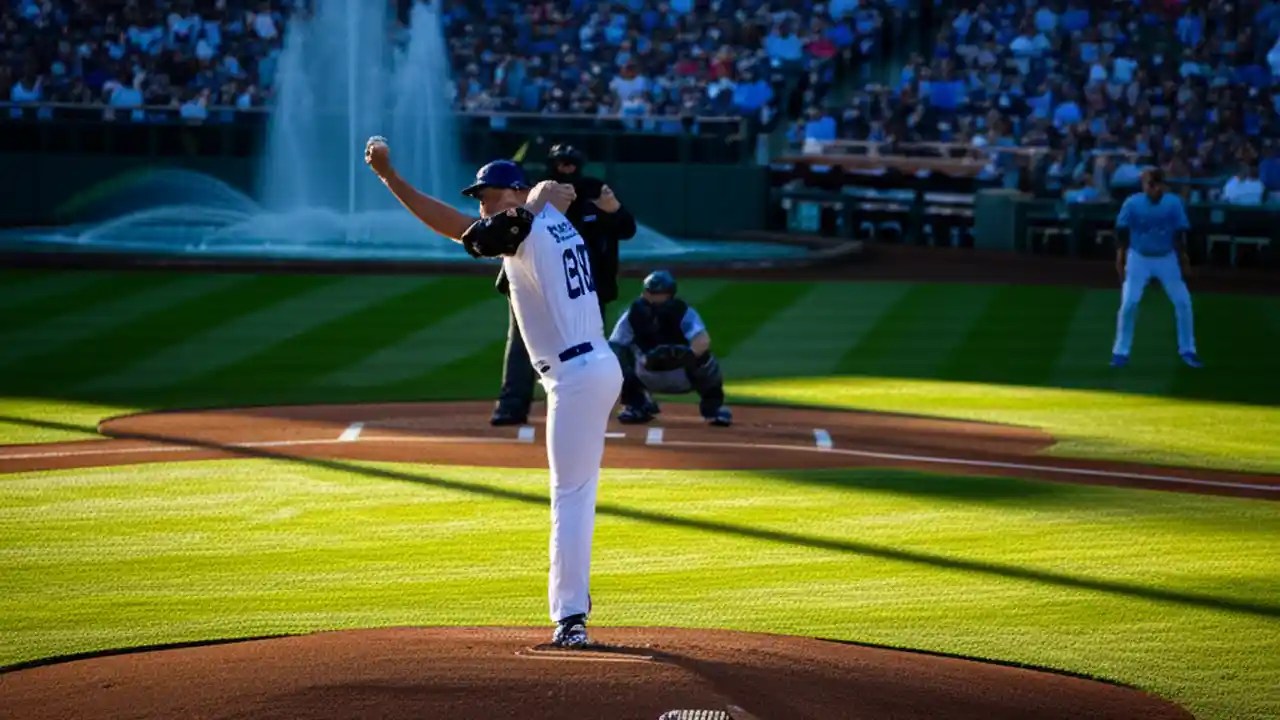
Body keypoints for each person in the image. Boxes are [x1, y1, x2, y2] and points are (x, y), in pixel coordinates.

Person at [364, 137, 622, 649]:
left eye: (490, 194)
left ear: (515, 193)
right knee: (578, 491)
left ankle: (570, 617)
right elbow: (490, 222)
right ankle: (574, 607)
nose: (481, 203)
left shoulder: (523, 222)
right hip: (592, 365)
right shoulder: (543, 221)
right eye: (479, 195)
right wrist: (540, 198)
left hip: (577, 373)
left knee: (569, 496)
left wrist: (390, 177)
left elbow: (458, 228)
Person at [490, 143, 637, 426]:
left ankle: (589, 407)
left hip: (583, 288)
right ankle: (511, 405)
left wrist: (613, 209)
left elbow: (626, 228)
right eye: (561, 163)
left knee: (588, 348)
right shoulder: (534, 194)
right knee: (522, 343)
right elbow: (510, 231)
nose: (566, 169)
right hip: (533, 284)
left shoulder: (594, 193)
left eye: (571, 163)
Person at [608, 270, 732, 427]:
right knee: (617, 356)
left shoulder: (682, 312)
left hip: (682, 374)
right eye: (650, 292)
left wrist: (684, 355)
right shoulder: (634, 313)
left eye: (658, 293)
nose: (653, 296)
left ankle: (713, 408)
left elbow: (702, 341)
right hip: (646, 371)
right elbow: (616, 344)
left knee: (705, 358)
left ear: (669, 294)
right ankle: (636, 405)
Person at [1110, 168, 1201, 369]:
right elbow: (1121, 231)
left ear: (1163, 185)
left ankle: (1188, 349)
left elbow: (1180, 233)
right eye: (1150, 184)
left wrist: (1184, 260)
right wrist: (1120, 257)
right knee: (1129, 303)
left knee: (1183, 301)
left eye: (1157, 184)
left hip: (1166, 257)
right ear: (1144, 185)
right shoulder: (1133, 203)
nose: (1153, 188)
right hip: (1138, 258)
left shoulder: (1173, 203)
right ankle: (1120, 352)